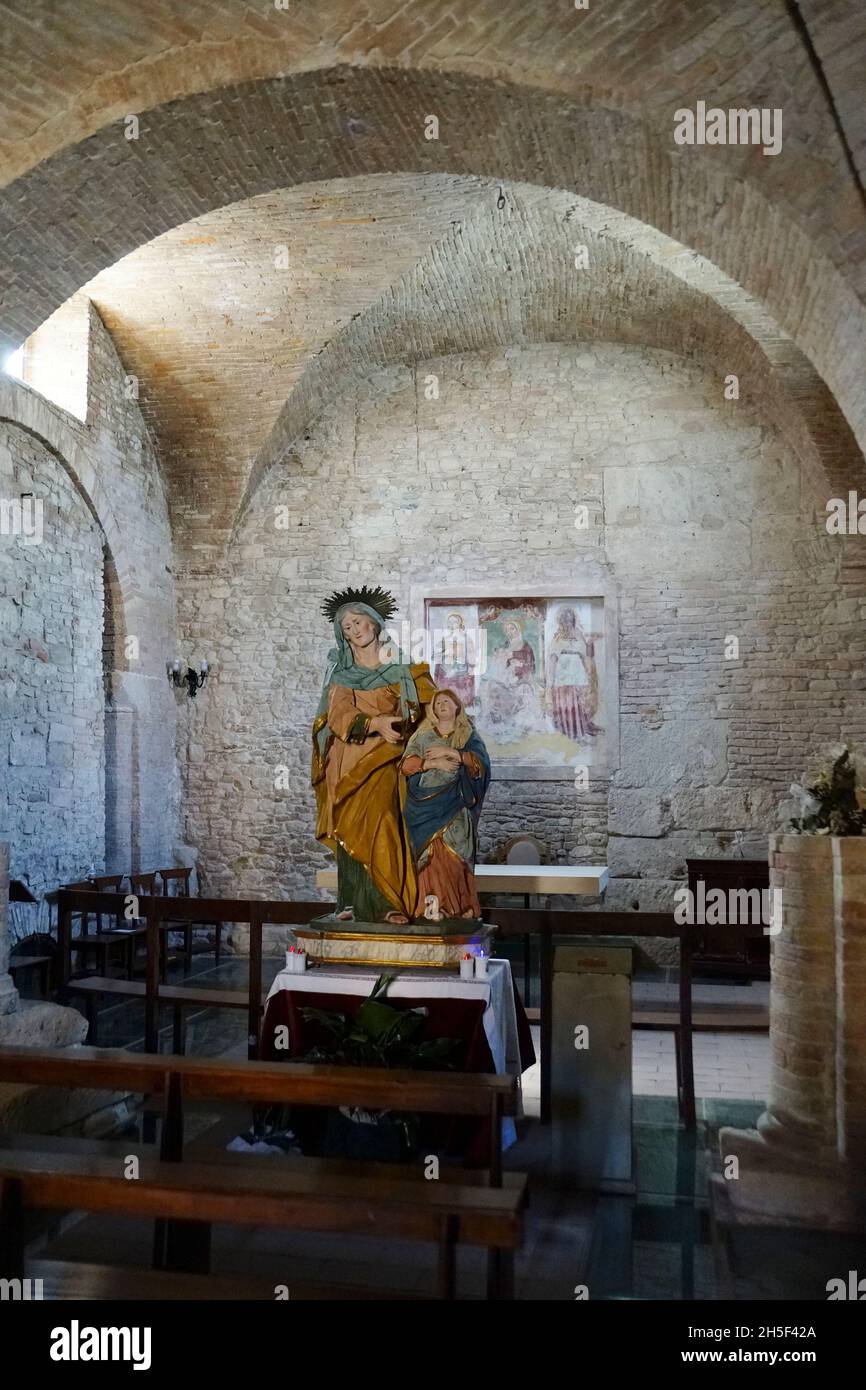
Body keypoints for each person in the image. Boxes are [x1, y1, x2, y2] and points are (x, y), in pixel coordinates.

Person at [312, 587, 434, 924]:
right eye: (346, 627)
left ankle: (387, 903)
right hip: (349, 762)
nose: (354, 630)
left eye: (358, 622)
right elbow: (336, 717)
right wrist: (376, 722)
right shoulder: (342, 674)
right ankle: (354, 903)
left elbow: (432, 710)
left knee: (383, 820)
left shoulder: (406, 668)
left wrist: (417, 728)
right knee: (351, 828)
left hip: (390, 759)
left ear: (375, 623)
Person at [400, 689, 490, 920]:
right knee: (429, 858)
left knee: (457, 852)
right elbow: (405, 766)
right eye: (437, 702)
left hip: (456, 805)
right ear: (432, 709)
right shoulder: (422, 736)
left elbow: (481, 765)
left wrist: (453, 753)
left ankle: (461, 906)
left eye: (447, 701)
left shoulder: (468, 735)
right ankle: (433, 907)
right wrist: (432, 763)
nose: (441, 704)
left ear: (457, 707)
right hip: (423, 808)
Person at [546, 606, 602, 740]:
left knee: (577, 699)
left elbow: (586, 654)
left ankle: (578, 730)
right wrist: (551, 678)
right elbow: (553, 657)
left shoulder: (578, 634)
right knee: (564, 700)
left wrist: (590, 644)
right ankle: (567, 731)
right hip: (563, 671)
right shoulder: (557, 637)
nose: (567, 624)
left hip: (577, 669)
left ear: (573, 621)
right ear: (560, 622)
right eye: (564, 621)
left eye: (570, 621)